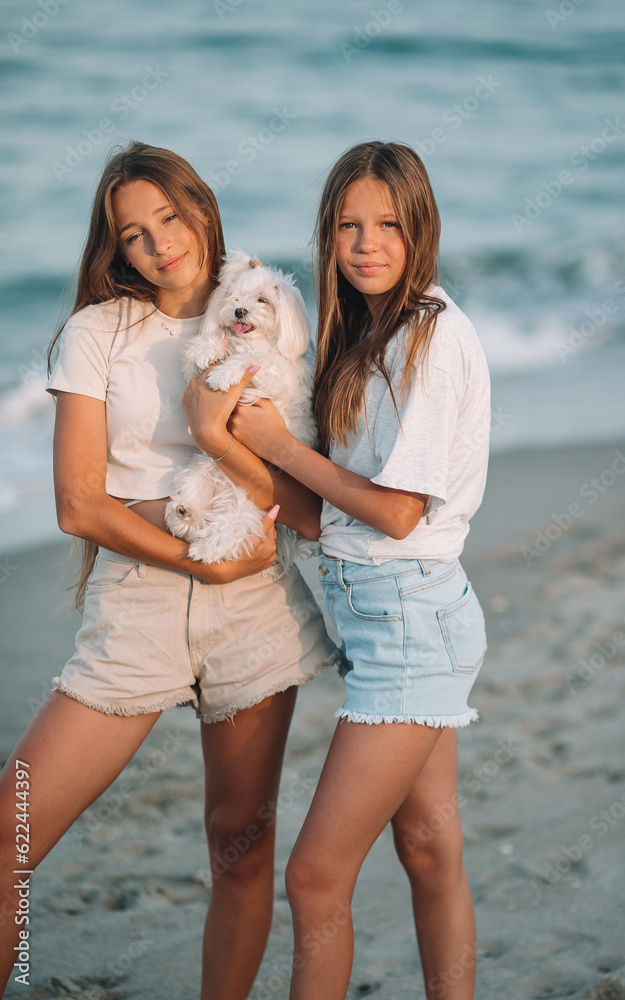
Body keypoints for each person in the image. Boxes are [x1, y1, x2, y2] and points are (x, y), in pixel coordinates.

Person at [0, 141, 338, 1000]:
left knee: (239, 844)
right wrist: (201, 561)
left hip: (258, 608)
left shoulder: (271, 316)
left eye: (170, 218)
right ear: (114, 250)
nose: (158, 244)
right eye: (133, 233)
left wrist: (223, 445)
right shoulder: (96, 332)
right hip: (139, 602)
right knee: (13, 834)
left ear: (202, 209)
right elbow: (79, 504)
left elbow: (305, 510)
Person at [184, 140, 491, 999]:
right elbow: (330, 517)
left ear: (418, 227)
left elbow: (396, 512)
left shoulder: (429, 334)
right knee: (428, 848)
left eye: (387, 225)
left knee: (314, 876)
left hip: (410, 621)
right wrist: (227, 445)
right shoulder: (367, 334)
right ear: (327, 234)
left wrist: (277, 445)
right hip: (380, 612)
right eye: (348, 226)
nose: (366, 243)